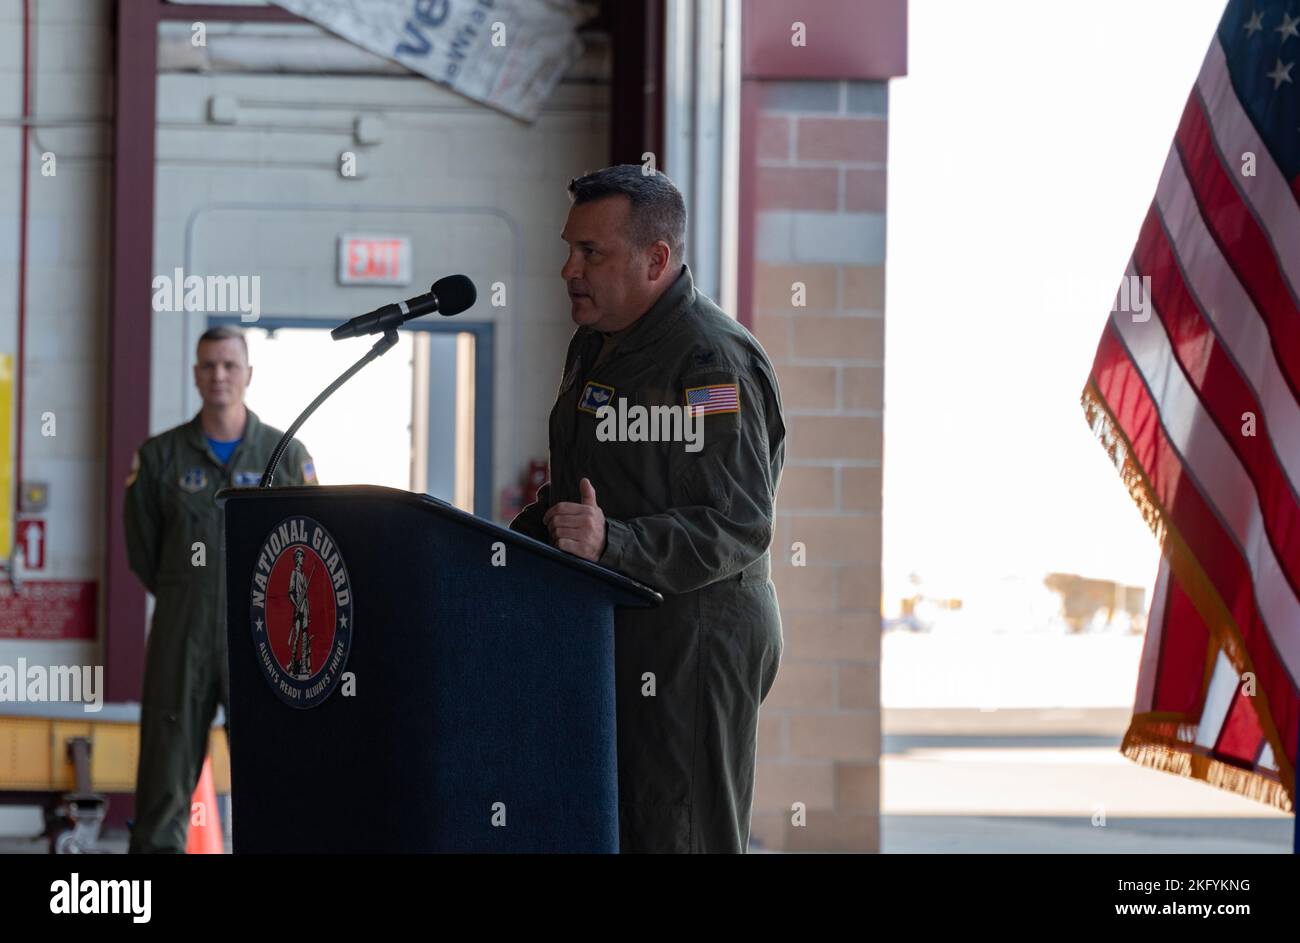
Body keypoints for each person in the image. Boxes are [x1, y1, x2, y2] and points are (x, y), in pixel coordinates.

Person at [510, 165, 786, 853]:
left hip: (696, 637)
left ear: (656, 259)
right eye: (569, 248)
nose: (568, 268)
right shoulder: (597, 345)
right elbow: (590, 490)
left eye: (591, 253)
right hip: (617, 626)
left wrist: (616, 544)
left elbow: (739, 519)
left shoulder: (709, 362)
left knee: (681, 833)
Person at [124, 325, 318, 853]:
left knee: (274, 777)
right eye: (209, 365)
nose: (219, 376)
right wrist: (191, 591)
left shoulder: (285, 455)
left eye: (230, 365)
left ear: (248, 374)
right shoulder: (161, 457)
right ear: (195, 374)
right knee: (165, 778)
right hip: (180, 636)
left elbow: (314, 545)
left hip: (263, 640)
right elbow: (144, 552)